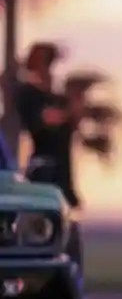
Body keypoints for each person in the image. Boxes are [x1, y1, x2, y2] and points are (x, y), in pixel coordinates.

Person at [15, 42, 81, 208]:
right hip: (43, 168)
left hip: (62, 169)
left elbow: (73, 124)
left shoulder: (56, 97)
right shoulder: (28, 93)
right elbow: (46, 119)